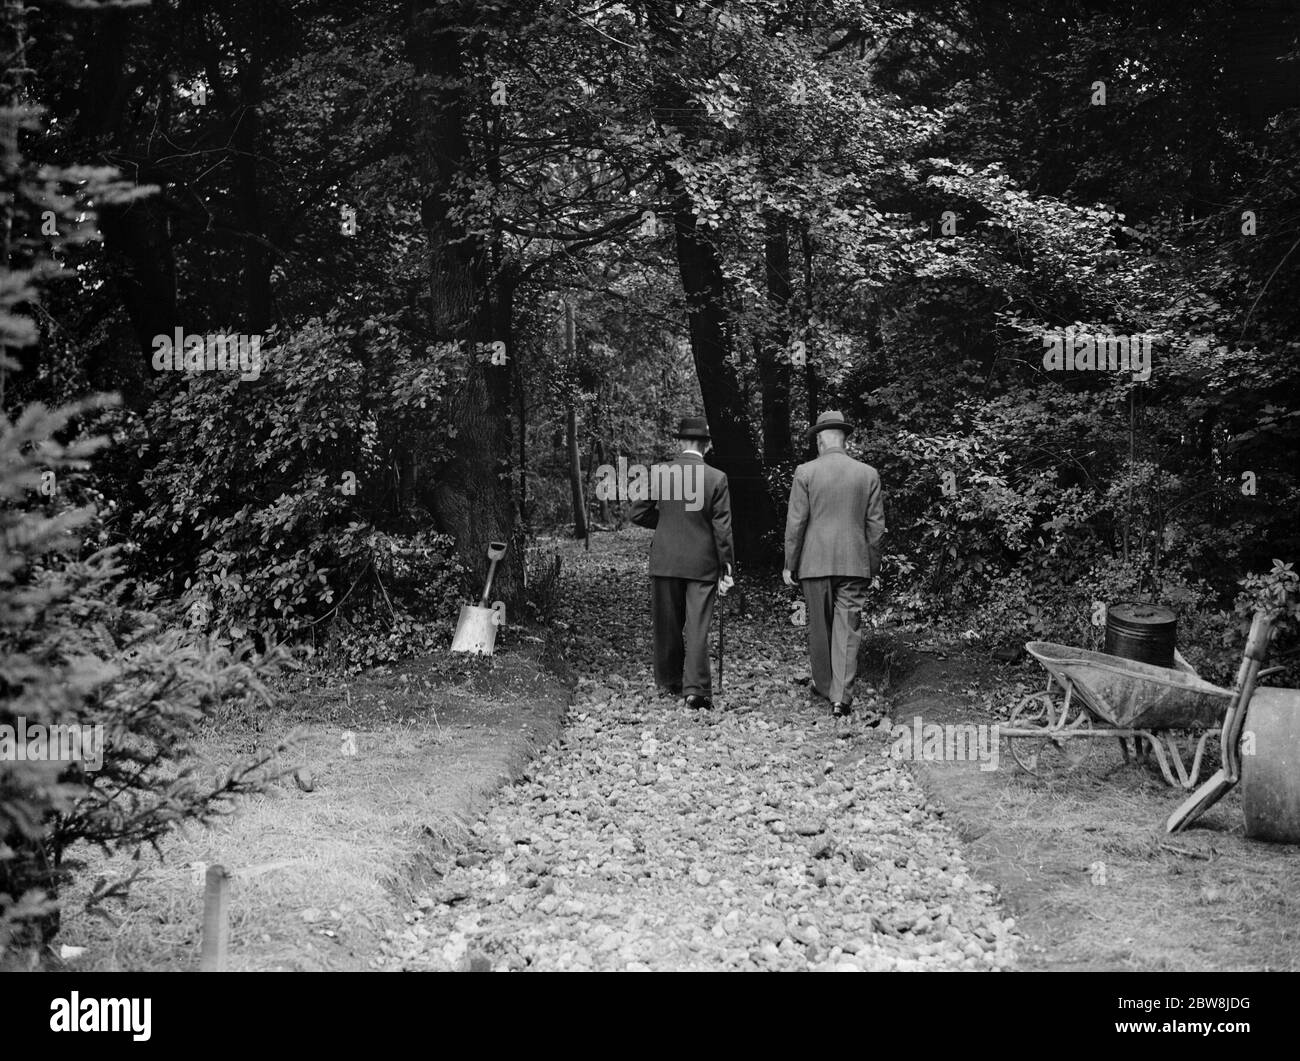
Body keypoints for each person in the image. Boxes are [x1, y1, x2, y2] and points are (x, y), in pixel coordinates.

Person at [783, 410, 886, 718]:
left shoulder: (805, 472)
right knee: (847, 627)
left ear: (821, 440)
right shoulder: (868, 474)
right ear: (843, 440)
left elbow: (796, 522)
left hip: (814, 563)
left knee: (820, 627)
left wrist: (790, 563)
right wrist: (872, 565)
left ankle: (825, 684)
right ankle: (840, 698)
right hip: (854, 563)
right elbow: (876, 528)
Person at [630, 416, 735, 709]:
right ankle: (697, 690)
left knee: (668, 623)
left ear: (680, 442)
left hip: (665, 559)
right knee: (698, 626)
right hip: (703, 562)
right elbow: (722, 529)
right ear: (708, 444)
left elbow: (637, 513)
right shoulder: (717, 478)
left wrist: (664, 524)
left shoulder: (660, 473)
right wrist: (727, 566)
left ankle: (670, 679)